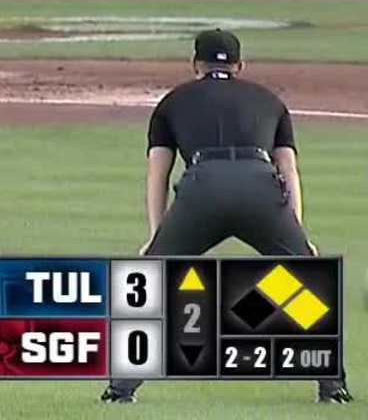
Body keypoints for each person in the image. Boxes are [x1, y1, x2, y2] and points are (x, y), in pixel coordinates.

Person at [101, 30, 352, 405]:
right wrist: (297, 232)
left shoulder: (173, 101)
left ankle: (120, 390)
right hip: (261, 190)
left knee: (154, 283)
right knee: (301, 278)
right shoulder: (269, 100)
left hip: (202, 189)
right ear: (239, 66)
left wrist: (156, 236)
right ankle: (332, 388)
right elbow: (289, 170)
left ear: (194, 65)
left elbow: (159, 173)